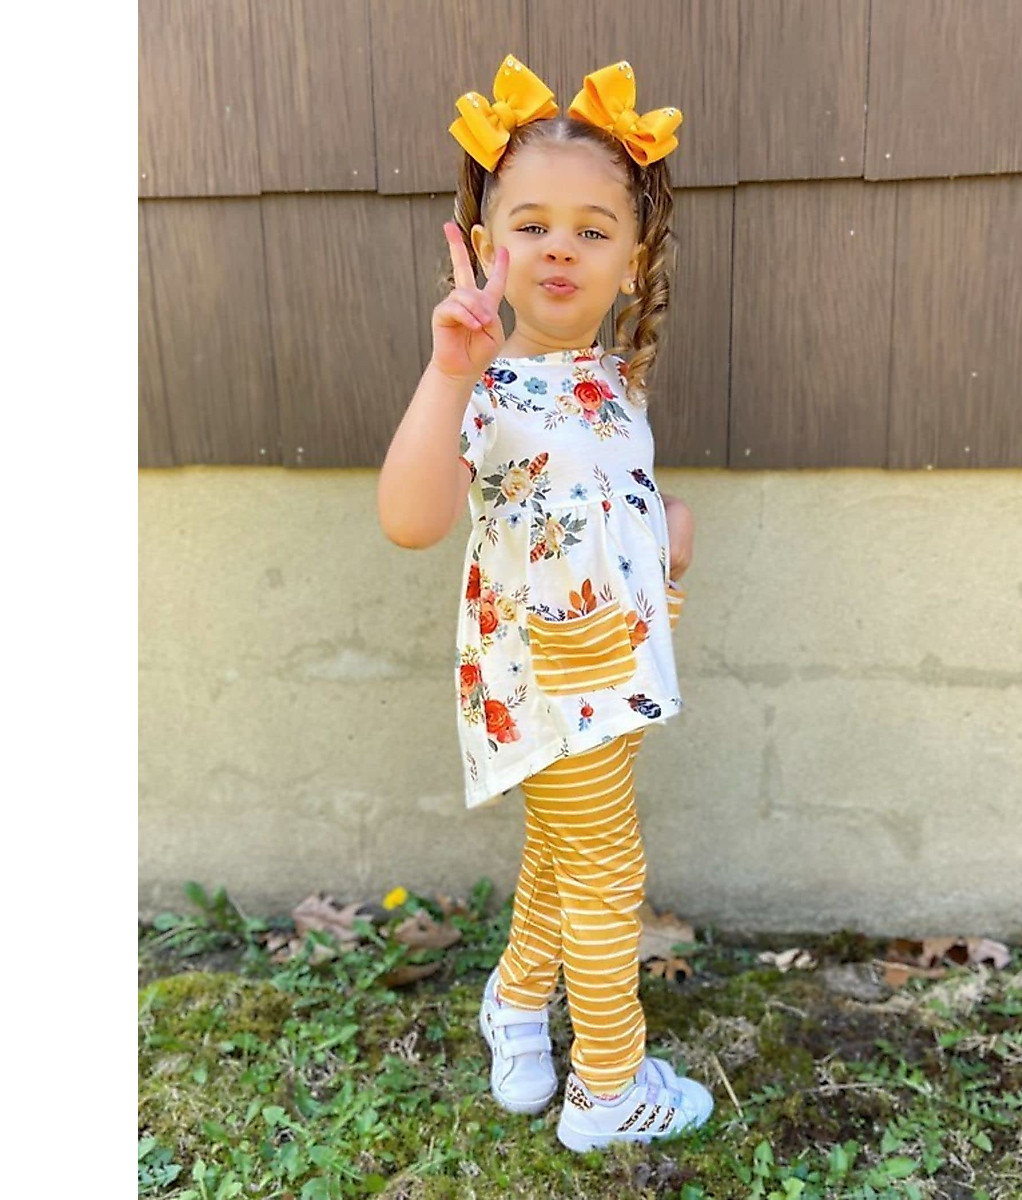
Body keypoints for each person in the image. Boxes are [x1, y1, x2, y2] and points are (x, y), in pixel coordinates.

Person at [377, 53, 711, 1152]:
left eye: (591, 229)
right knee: (607, 869)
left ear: (633, 260)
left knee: (564, 852)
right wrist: (447, 372)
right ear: (486, 247)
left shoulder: (611, 380)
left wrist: (664, 534)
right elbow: (412, 519)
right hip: (546, 679)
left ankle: (517, 1005)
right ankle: (608, 1087)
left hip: (615, 659)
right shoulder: (484, 387)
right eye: (532, 225)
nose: (560, 247)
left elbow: (594, 503)